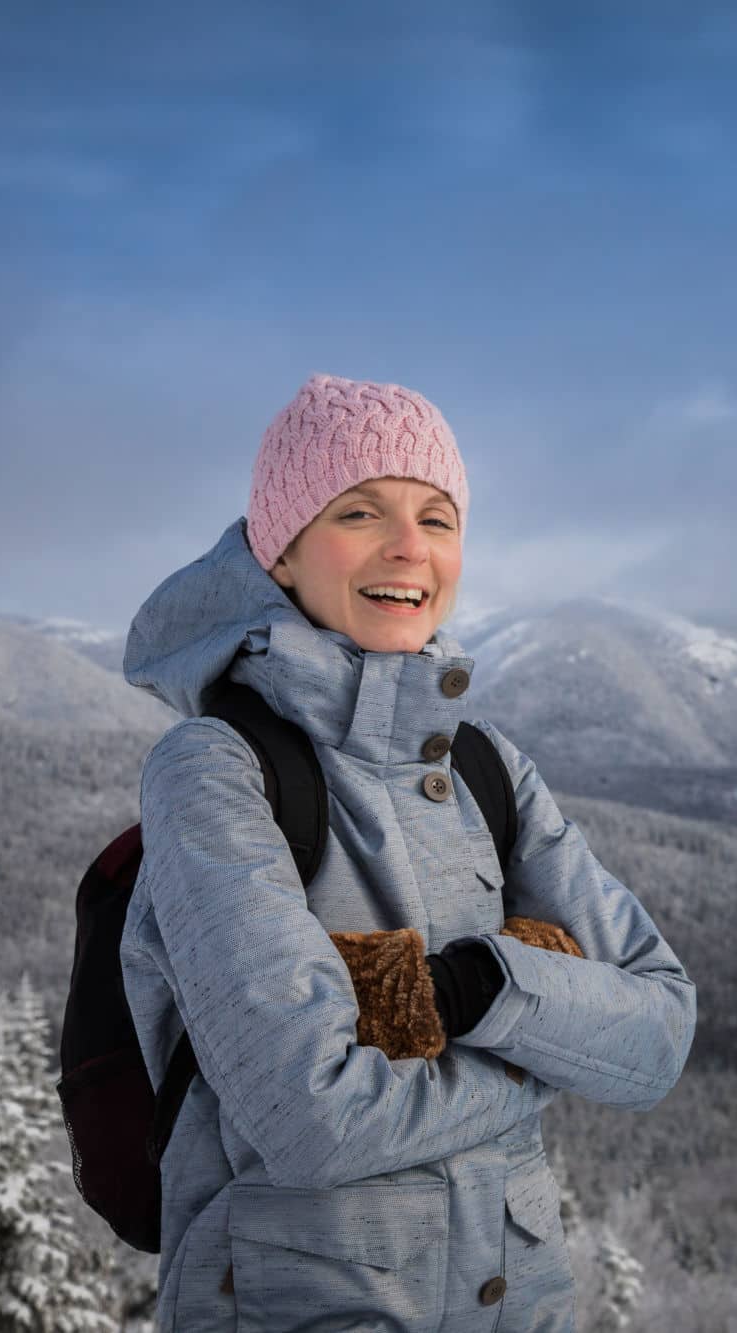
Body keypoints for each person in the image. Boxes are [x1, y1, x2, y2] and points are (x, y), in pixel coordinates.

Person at [121, 372, 696, 1331]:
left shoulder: (488, 767)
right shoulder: (215, 767)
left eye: (437, 517)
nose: (408, 549)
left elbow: (662, 1027)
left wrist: (471, 988)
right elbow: (313, 1115)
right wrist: (550, 1047)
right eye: (359, 511)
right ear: (283, 552)